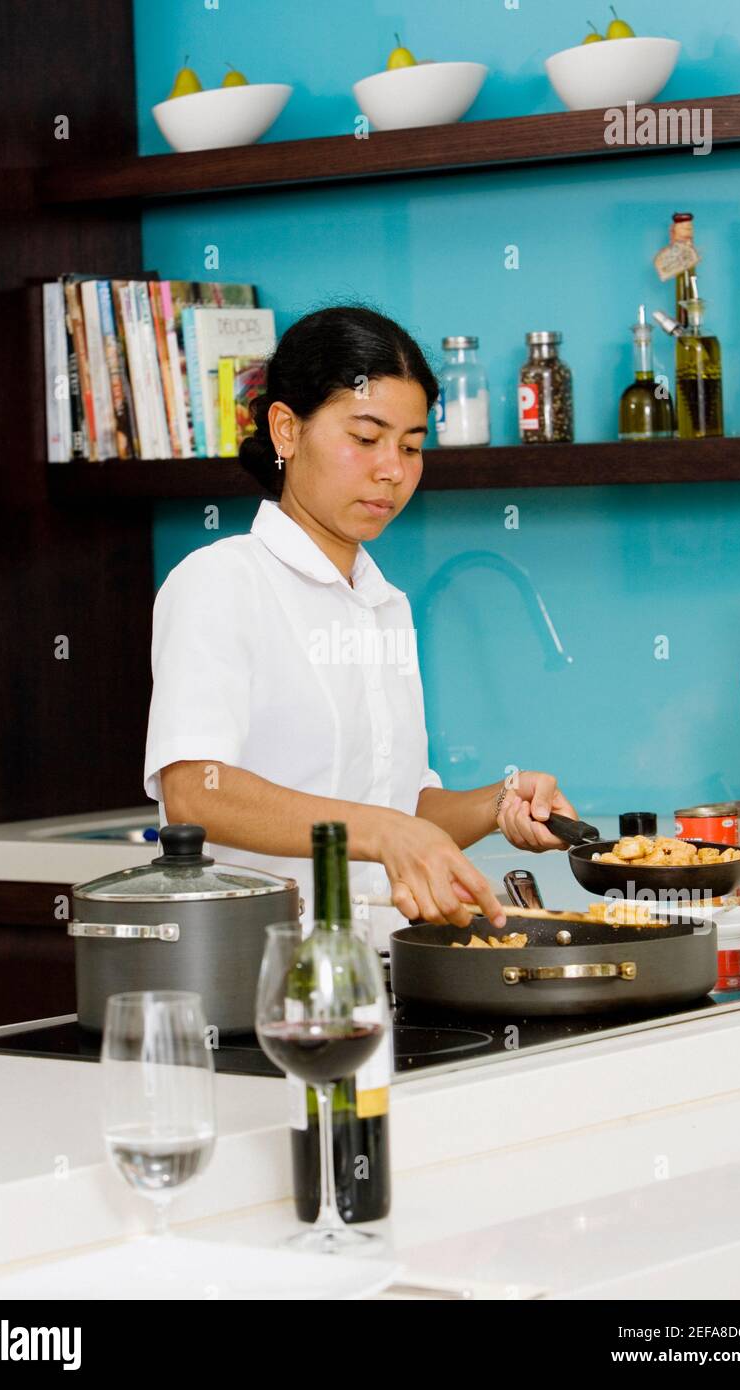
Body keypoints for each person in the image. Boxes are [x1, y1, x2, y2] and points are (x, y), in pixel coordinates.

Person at [144, 306, 576, 947]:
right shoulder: (222, 581)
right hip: (259, 974)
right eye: (366, 438)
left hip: (383, 968)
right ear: (287, 430)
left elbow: (404, 807)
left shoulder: (383, 603)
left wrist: (499, 804)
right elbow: (195, 794)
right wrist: (382, 832)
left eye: (411, 445)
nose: (393, 471)